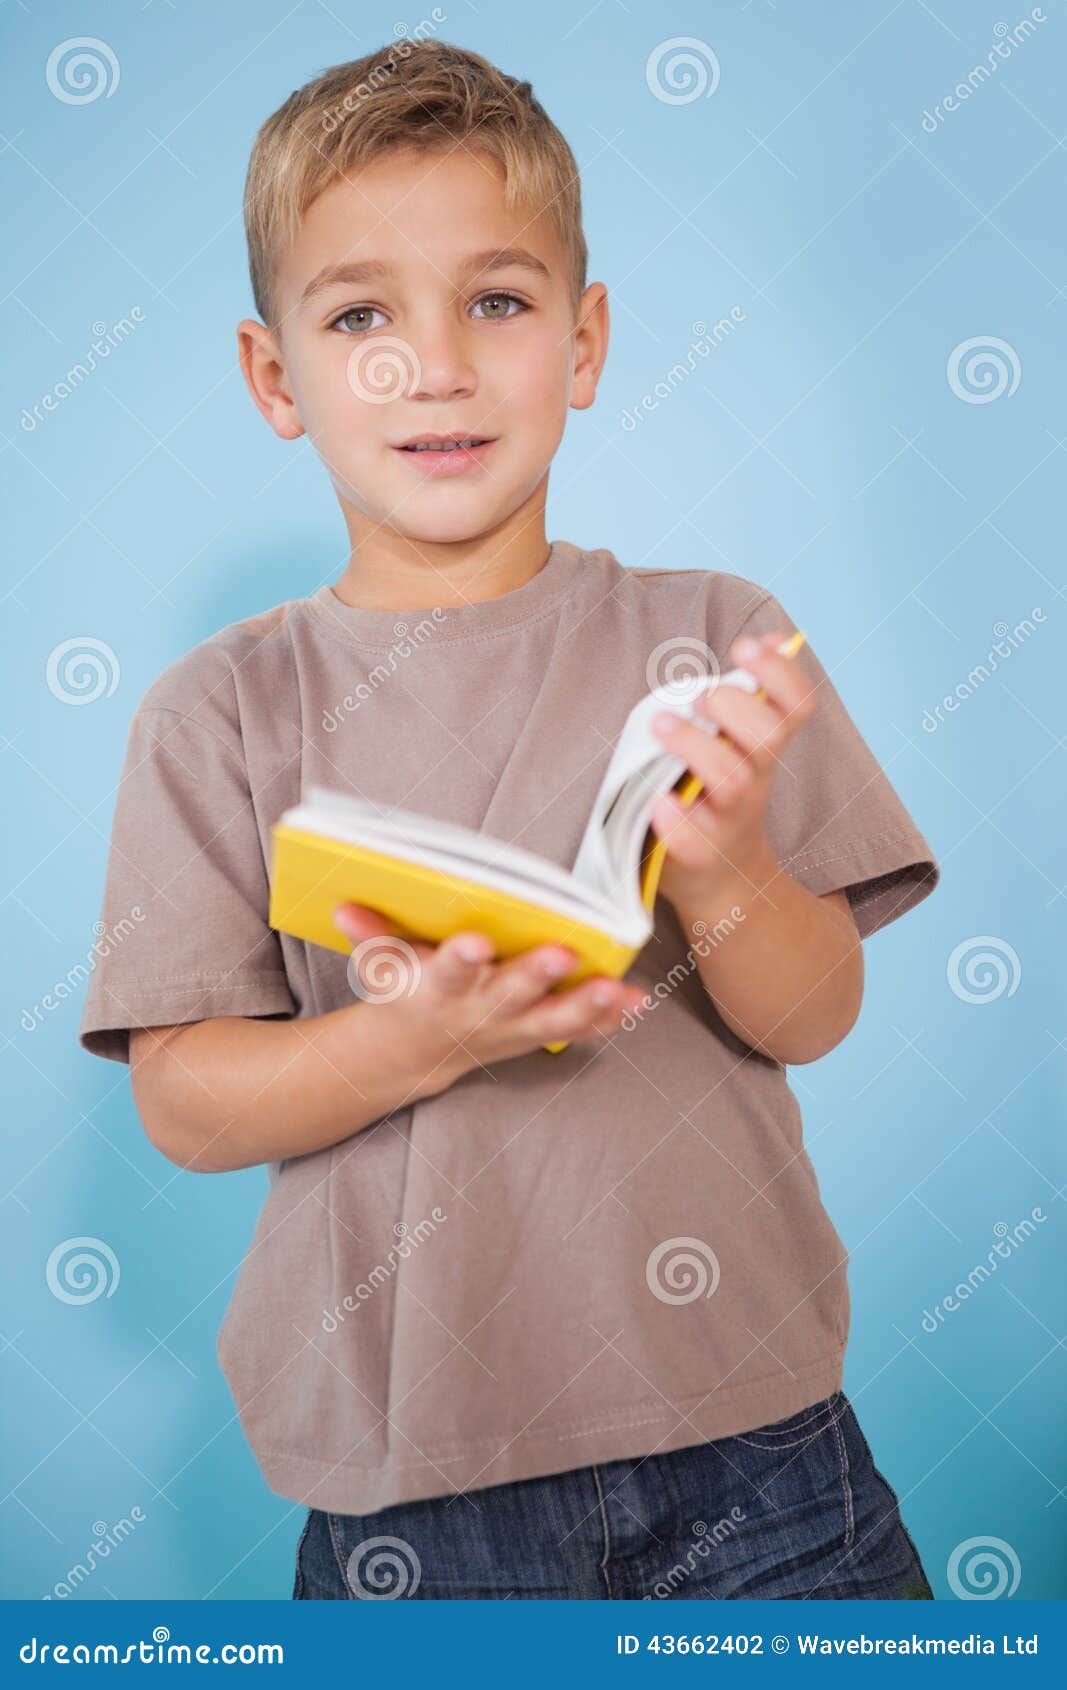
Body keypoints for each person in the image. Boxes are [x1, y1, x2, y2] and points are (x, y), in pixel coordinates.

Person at [79, 38, 939, 1600]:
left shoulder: (716, 638)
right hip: (417, 1501)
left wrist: (730, 865)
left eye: (496, 300)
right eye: (360, 316)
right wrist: (412, 1041)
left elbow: (815, 1014)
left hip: (760, 1449)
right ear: (275, 378)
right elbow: (183, 1101)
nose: (436, 366)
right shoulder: (220, 711)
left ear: (585, 341)